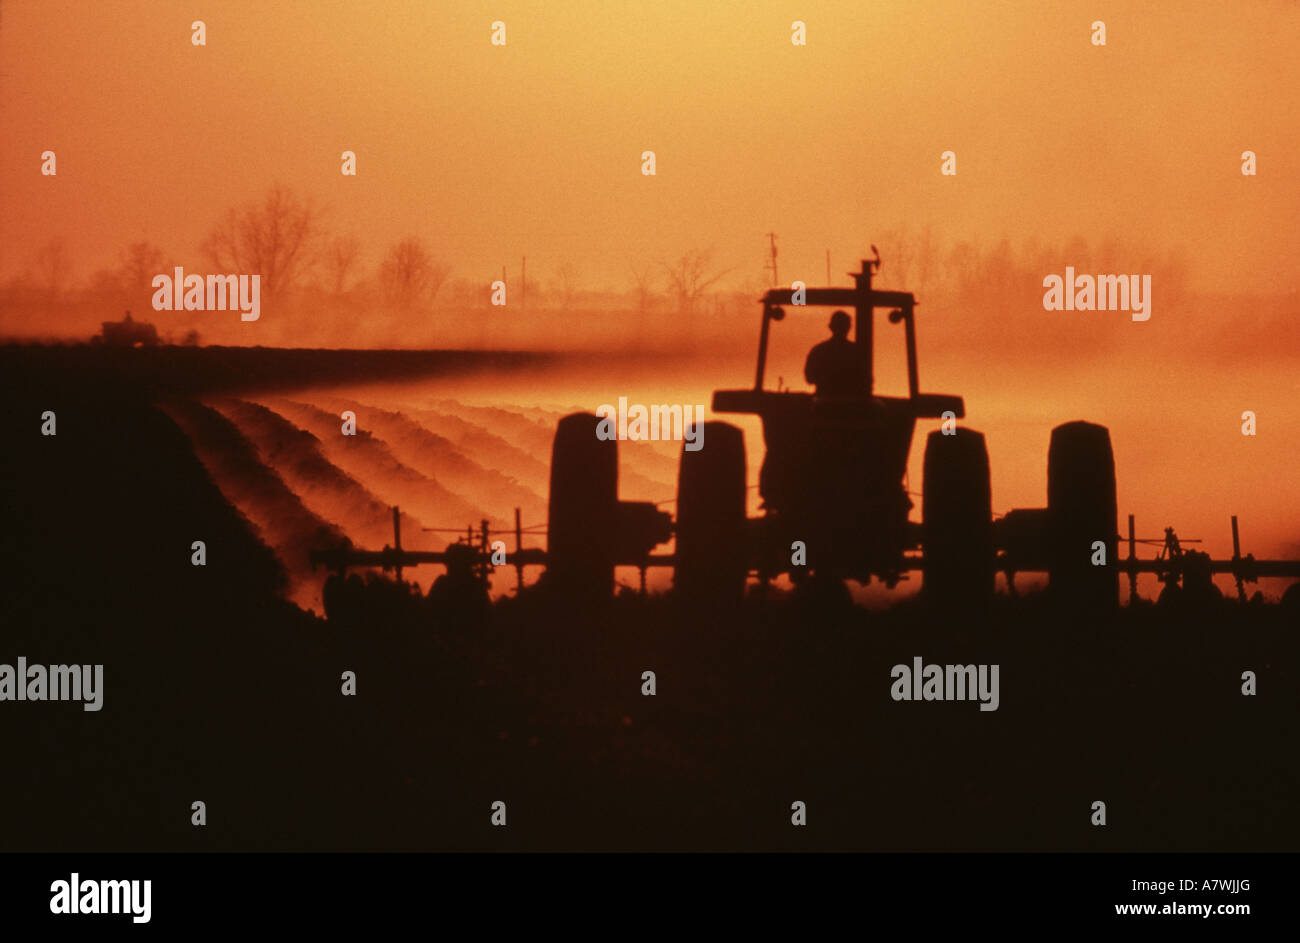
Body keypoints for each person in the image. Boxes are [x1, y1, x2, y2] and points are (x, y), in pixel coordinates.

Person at [804, 310, 867, 396]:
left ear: (831, 327)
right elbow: (865, 378)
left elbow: (809, 378)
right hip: (851, 402)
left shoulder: (819, 350)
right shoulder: (856, 351)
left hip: (824, 400)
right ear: (849, 327)